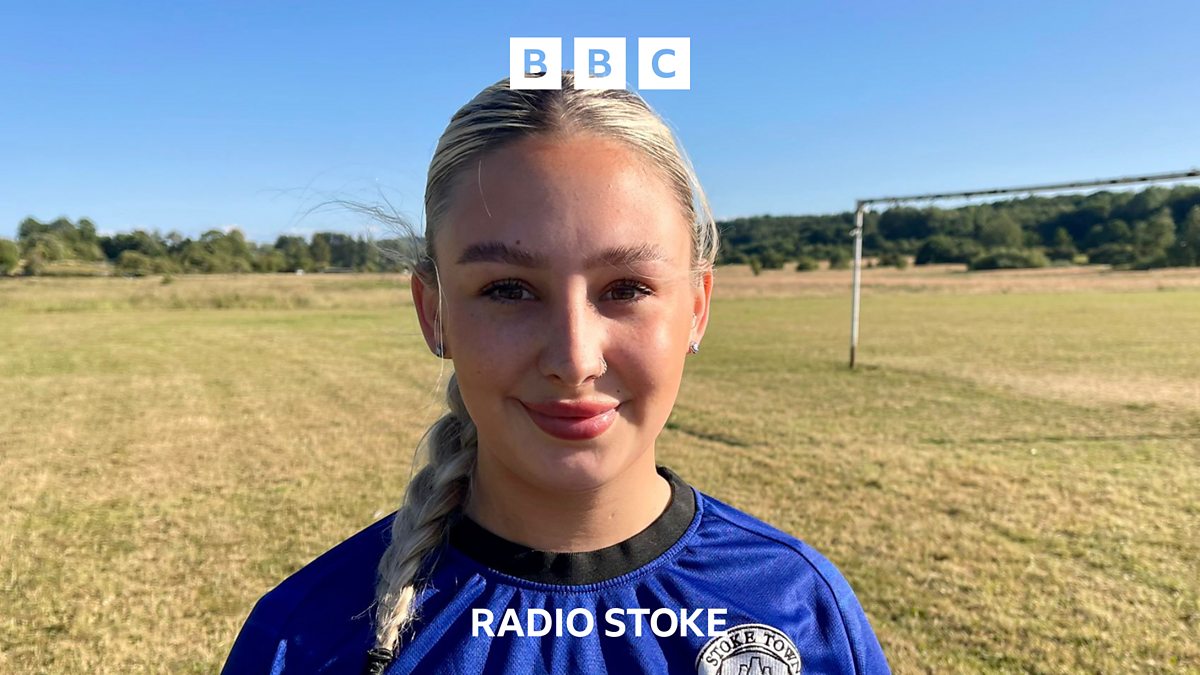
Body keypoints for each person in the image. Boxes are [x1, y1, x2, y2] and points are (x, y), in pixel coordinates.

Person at [222, 69, 890, 675]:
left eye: (625, 287)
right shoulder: (305, 638)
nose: (574, 359)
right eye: (508, 289)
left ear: (695, 308)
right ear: (435, 312)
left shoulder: (799, 608)